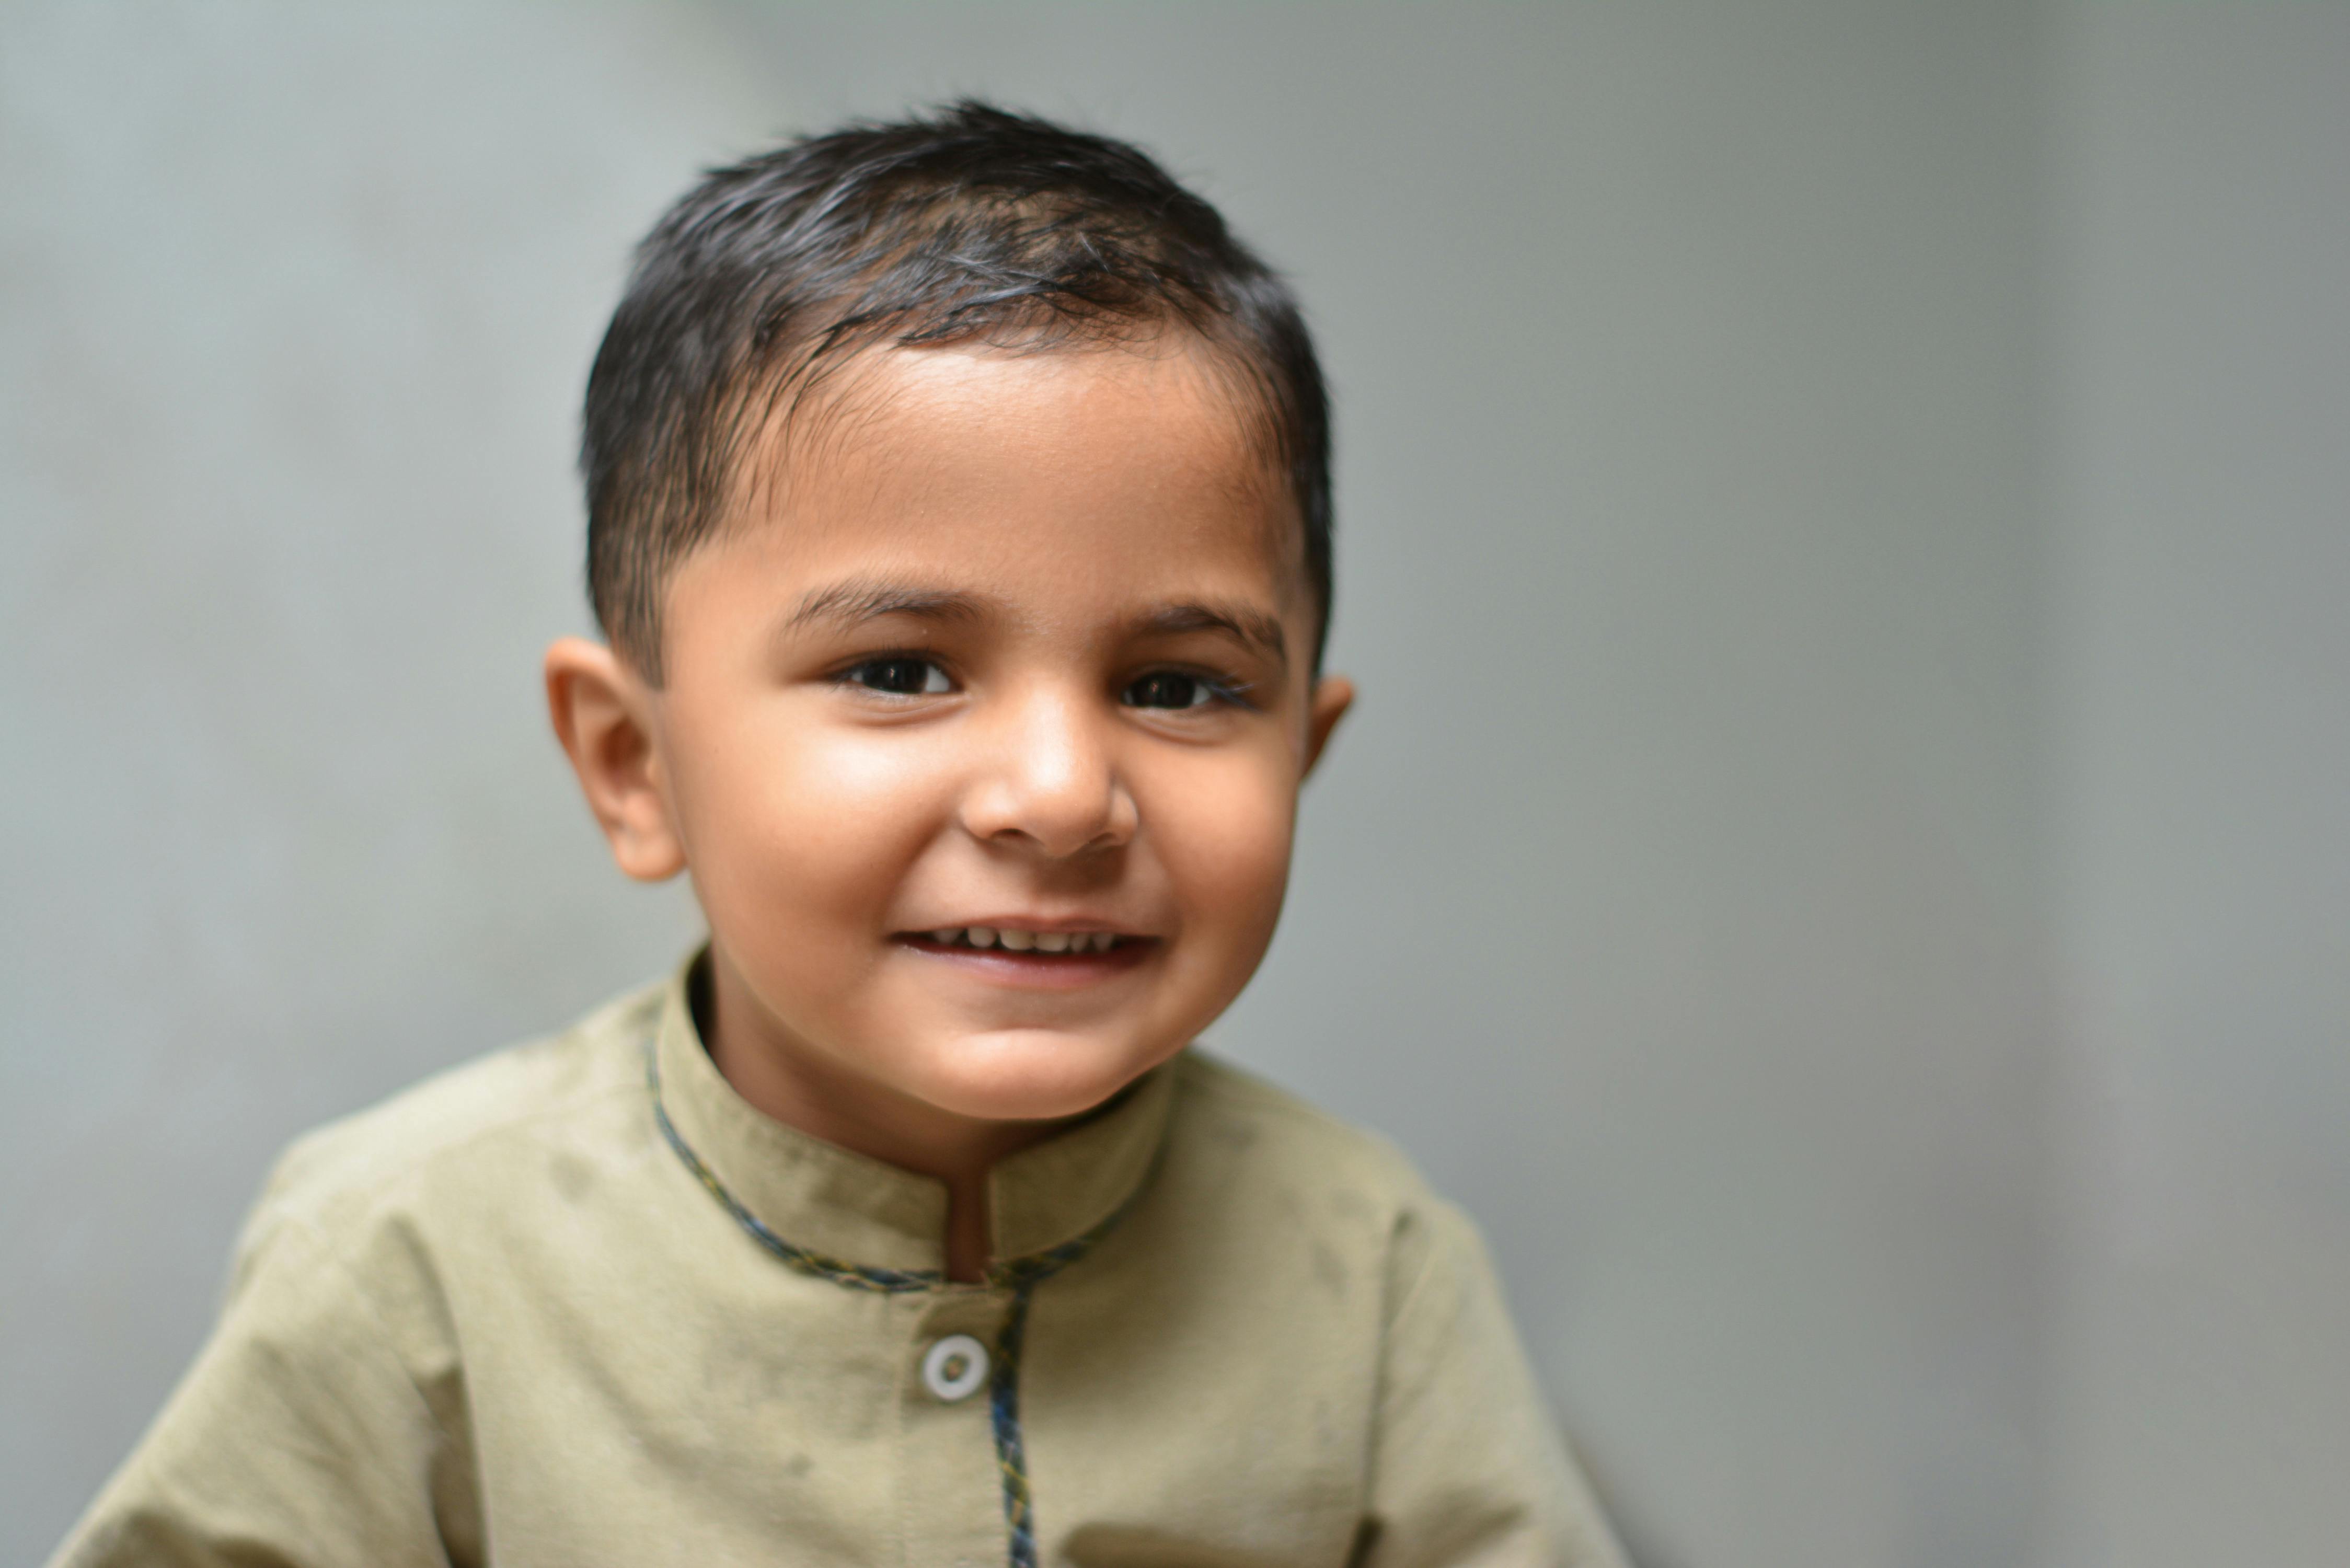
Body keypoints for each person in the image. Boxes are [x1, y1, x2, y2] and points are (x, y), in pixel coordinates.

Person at [51, 102, 1627, 1568]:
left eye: (1176, 685)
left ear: (1304, 751)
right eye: (899, 671)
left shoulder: (1375, 1276)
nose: (1063, 793)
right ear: (634, 766)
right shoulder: (411, 1262)